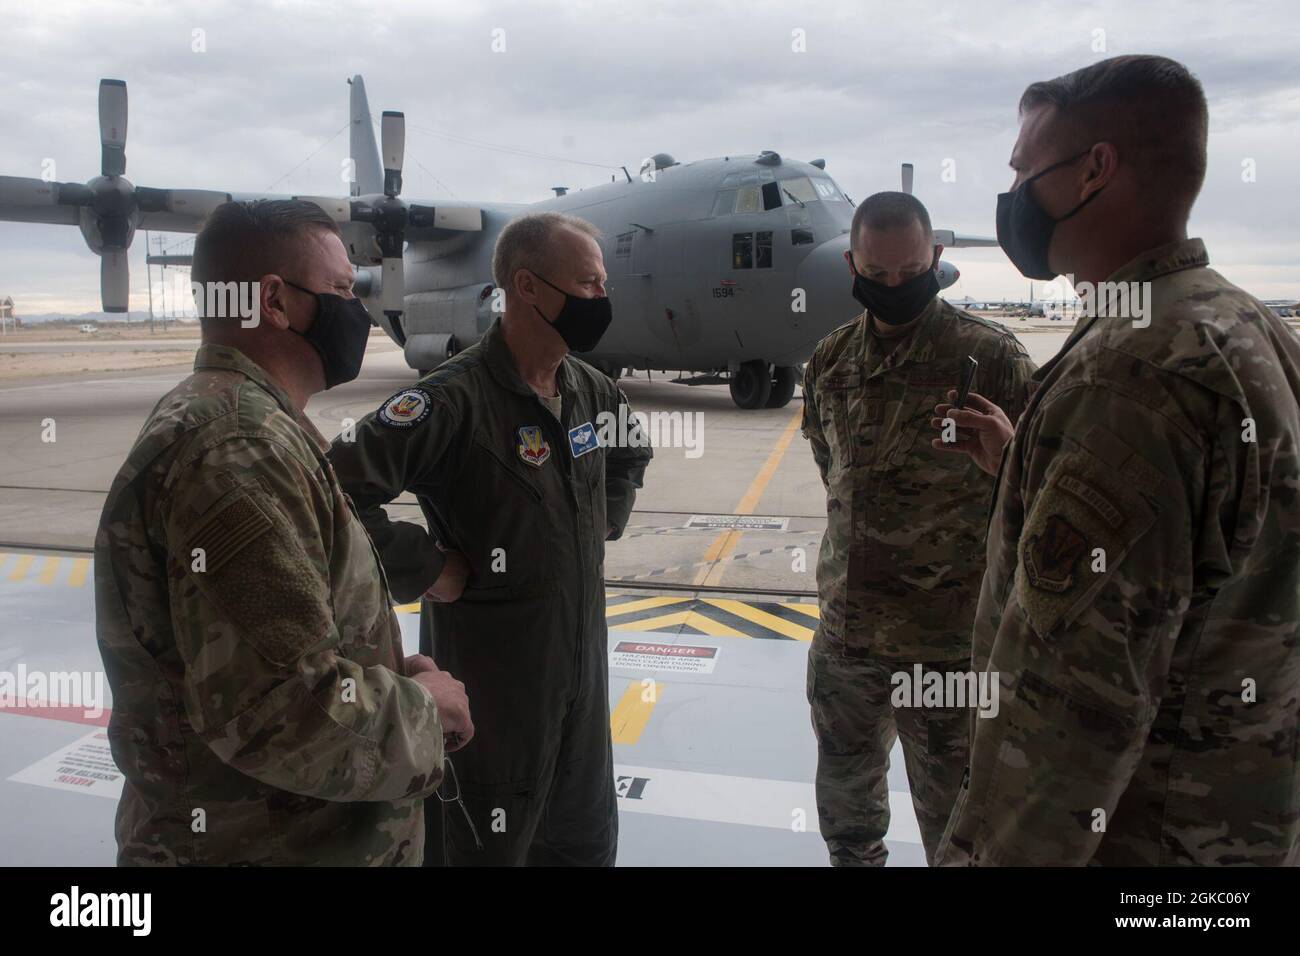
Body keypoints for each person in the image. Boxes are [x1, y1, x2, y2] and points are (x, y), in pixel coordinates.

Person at [935, 55, 1300, 865]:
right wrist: (1020, 475)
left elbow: (1069, 709)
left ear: (1094, 170)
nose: (1013, 197)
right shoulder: (1243, 327)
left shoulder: (1131, 373)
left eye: (1025, 169)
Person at [94, 199, 471, 866]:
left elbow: (275, 653)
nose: (358, 309)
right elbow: (281, 713)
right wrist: (424, 711)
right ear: (274, 301)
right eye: (340, 290)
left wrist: (380, 671)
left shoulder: (250, 426)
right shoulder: (237, 448)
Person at [327, 211, 652, 866]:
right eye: (588, 284)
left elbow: (628, 456)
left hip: (581, 689)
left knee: (582, 844)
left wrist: (600, 520)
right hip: (490, 696)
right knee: (483, 848)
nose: (602, 299)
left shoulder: (591, 391)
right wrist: (428, 567)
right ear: (529, 288)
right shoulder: (451, 402)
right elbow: (333, 496)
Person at [801, 191, 1037, 865]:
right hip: (848, 644)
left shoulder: (993, 359)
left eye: (909, 274)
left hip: (950, 643)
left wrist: (1008, 455)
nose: (894, 288)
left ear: (936, 259)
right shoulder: (829, 363)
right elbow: (834, 473)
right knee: (848, 822)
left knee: (960, 825)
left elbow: (1036, 493)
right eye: (876, 277)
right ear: (852, 263)